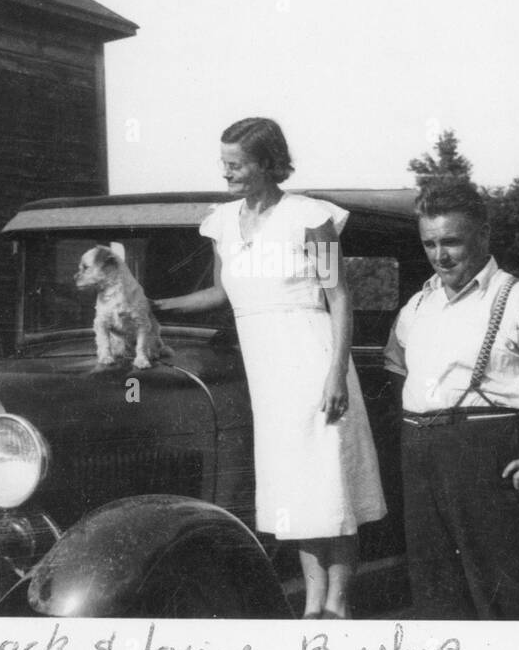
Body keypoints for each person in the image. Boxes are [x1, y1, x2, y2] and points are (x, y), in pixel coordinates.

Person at [154, 117, 387, 618]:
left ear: (266, 163)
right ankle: (312, 604)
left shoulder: (309, 217)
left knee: (330, 484)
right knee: (296, 489)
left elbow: (340, 297)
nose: (227, 174)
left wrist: (335, 373)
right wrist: (155, 306)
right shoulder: (221, 222)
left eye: (236, 165)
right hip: (268, 374)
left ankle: (338, 605)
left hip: (314, 359)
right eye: (224, 164)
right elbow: (221, 293)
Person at [383, 178, 519, 619]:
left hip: (488, 455)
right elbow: (395, 361)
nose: (440, 255)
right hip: (422, 459)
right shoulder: (418, 305)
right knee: (438, 599)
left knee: (506, 597)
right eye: (429, 243)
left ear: (484, 235)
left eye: (452, 242)